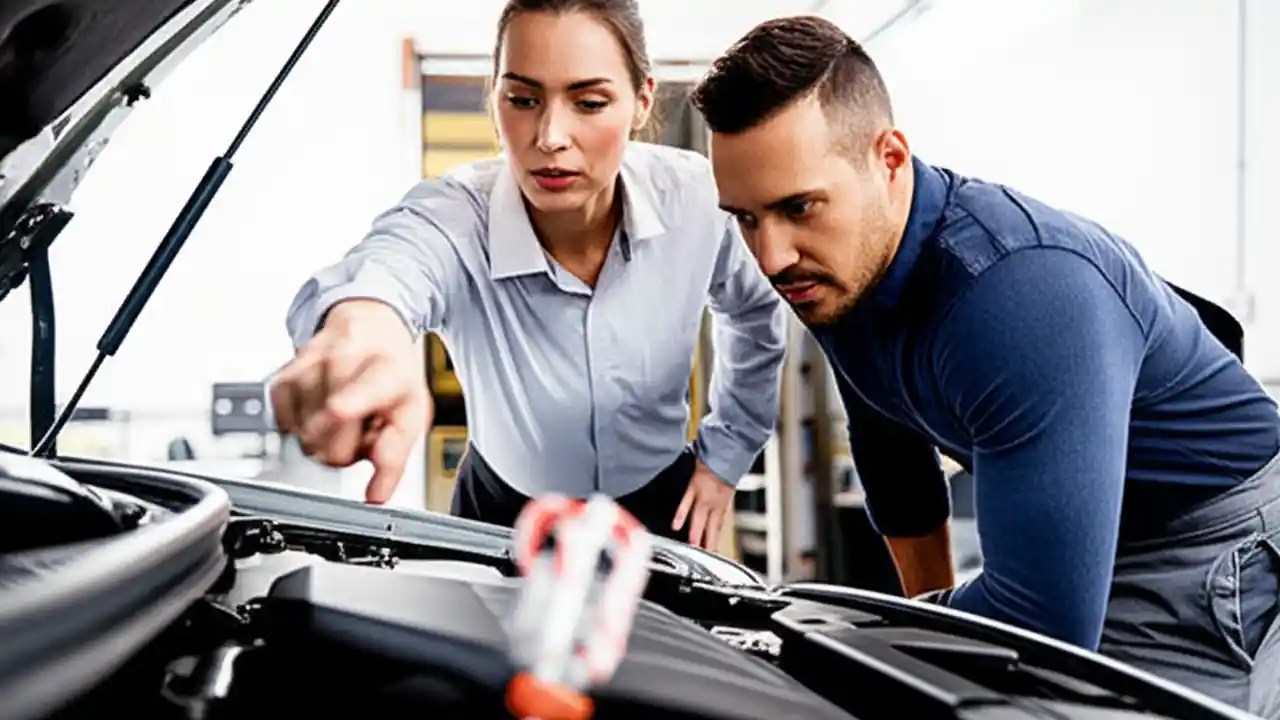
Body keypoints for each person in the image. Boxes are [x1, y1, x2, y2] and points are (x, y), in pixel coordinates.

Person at [689, 15, 1280, 716]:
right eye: (747, 218)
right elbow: (893, 457)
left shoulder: (1017, 295)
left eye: (798, 207)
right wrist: (913, 624)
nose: (771, 256)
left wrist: (863, 631)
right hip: (1094, 548)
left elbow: (1042, 625)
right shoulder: (837, 270)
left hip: (1217, 550)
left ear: (889, 159)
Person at [267, 0, 786, 550]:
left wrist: (727, 455)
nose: (550, 137)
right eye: (522, 99)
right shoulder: (456, 217)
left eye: (589, 102)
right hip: (501, 515)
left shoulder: (697, 199)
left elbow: (755, 312)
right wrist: (360, 335)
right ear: (494, 100)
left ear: (641, 102)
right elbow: (385, 273)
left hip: (661, 507)